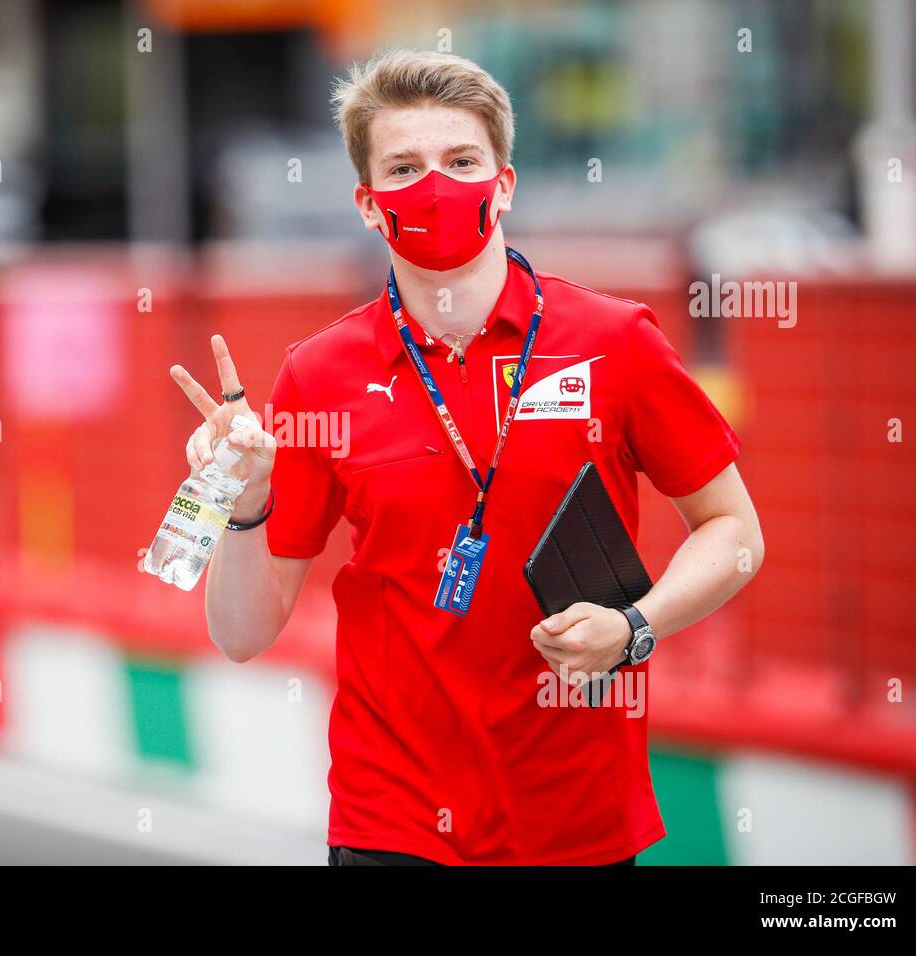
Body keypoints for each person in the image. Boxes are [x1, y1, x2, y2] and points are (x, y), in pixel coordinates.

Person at [169, 50, 764, 866]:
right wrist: (240, 500)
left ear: (505, 182)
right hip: (392, 823)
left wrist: (635, 628)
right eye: (404, 170)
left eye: (460, 162)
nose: (436, 188)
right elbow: (242, 634)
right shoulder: (320, 373)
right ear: (370, 206)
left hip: (577, 820)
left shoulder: (612, 343)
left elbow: (734, 529)